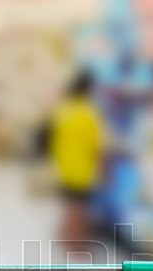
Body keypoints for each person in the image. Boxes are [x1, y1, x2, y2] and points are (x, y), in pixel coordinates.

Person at [49, 71, 104, 247]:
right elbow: (95, 147)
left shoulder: (64, 111)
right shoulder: (89, 116)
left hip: (64, 167)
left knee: (69, 206)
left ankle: (66, 237)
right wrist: (102, 170)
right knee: (79, 209)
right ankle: (76, 244)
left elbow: (54, 140)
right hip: (82, 170)